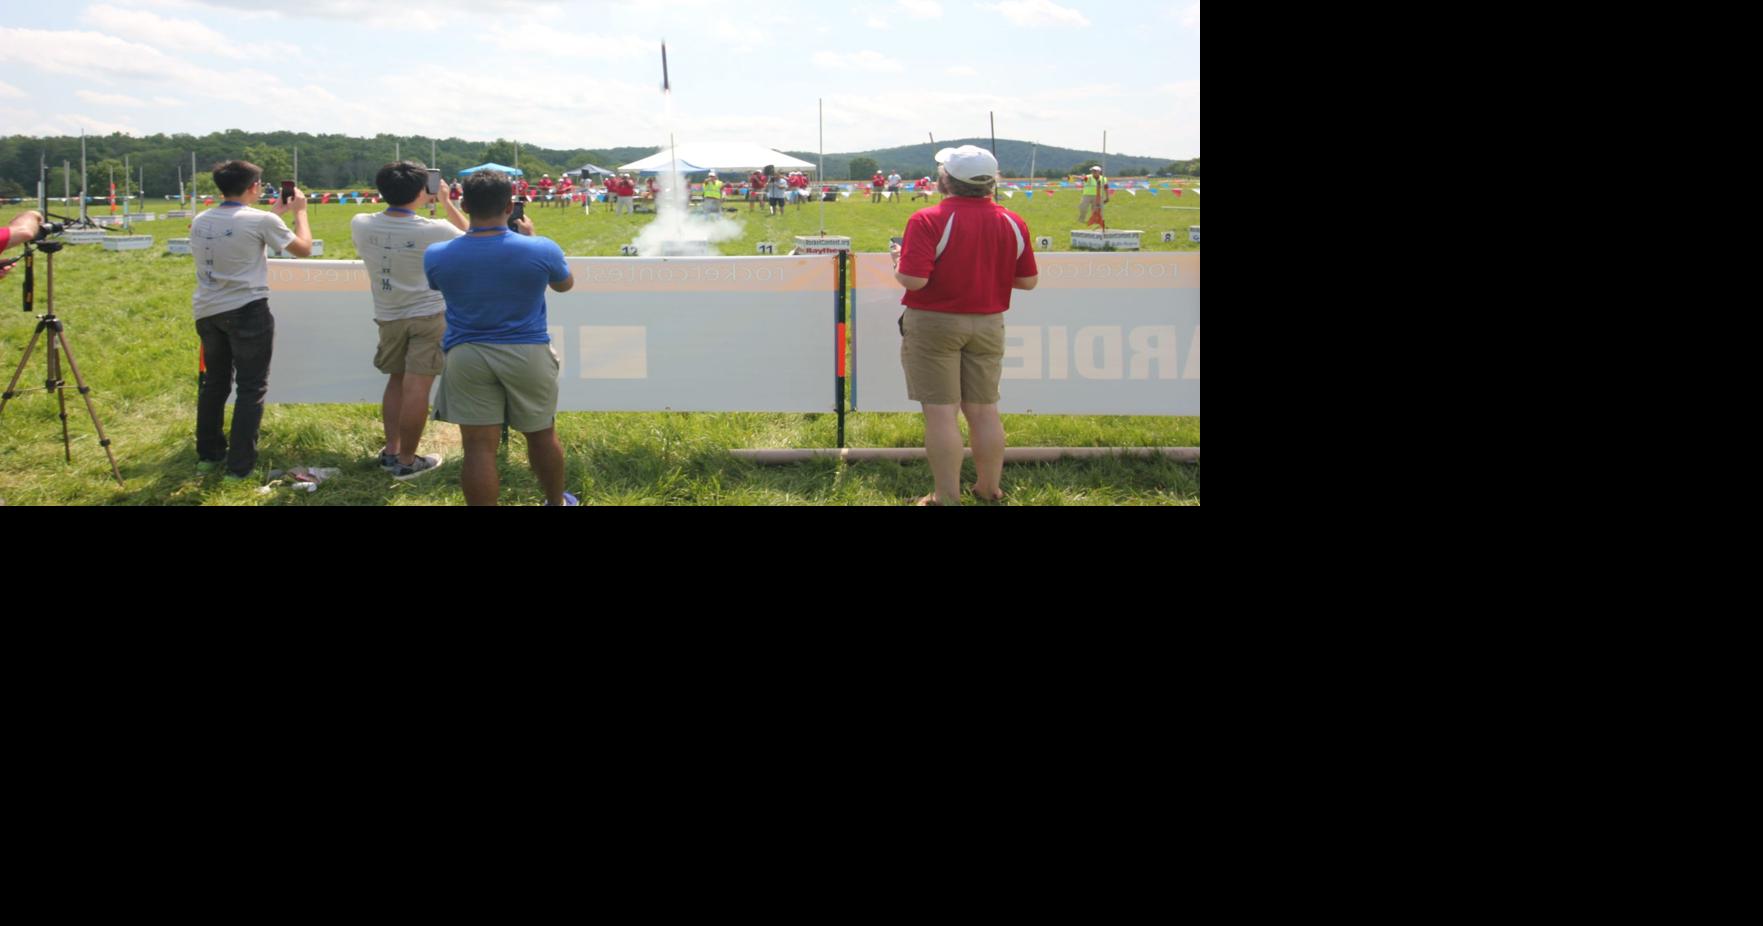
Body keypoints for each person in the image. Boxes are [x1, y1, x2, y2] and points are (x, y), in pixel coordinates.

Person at [889, 145, 1036, 506]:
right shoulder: (1012, 220)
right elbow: (1028, 280)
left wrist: (897, 259)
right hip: (988, 324)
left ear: (946, 180)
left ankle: (945, 496)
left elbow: (913, 280)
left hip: (934, 324)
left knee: (941, 414)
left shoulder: (926, 218)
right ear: (991, 182)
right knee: (984, 411)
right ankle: (989, 489)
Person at [423, 170, 578, 506]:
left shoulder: (437, 254)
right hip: (528, 350)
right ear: (511, 206)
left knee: (478, 447)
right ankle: (555, 502)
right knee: (541, 435)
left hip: (466, 352)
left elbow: (440, 284)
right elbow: (564, 285)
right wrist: (533, 237)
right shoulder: (540, 248)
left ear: (464, 204)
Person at [190, 159, 313, 480]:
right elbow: (304, 249)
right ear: (253, 187)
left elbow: (240, 229)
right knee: (250, 388)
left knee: (214, 385)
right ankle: (239, 466)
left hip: (207, 310)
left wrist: (276, 212)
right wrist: (300, 213)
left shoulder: (201, 220)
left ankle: (208, 455)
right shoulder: (259, 221)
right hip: (247, 310)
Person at [349, 160, 469, 479]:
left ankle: (391, 451)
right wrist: (447, 202)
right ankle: (406, 461)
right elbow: (473, 238)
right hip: (429, 314)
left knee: (396, 381)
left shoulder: (361, 222)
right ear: (422, 191)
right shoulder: (436, 229)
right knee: (418, 386)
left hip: (388, 314)